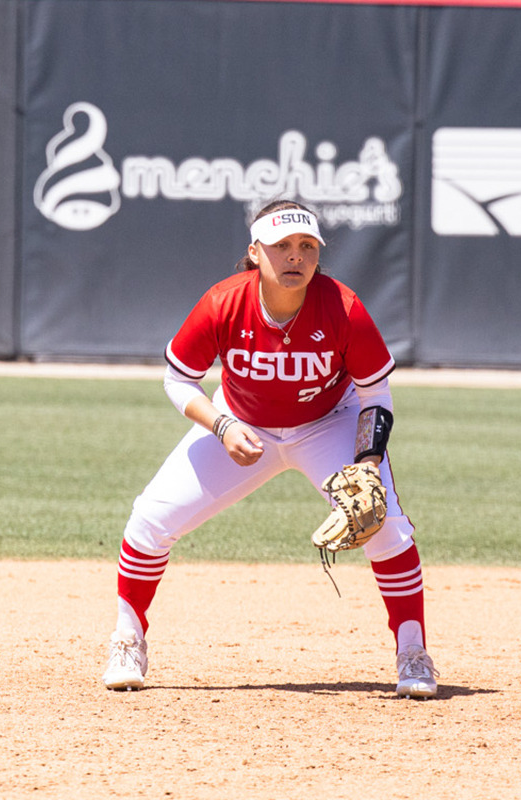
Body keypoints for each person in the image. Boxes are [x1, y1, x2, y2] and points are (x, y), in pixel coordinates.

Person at [102, 200, 438, 698]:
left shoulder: (342, 306)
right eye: (281, 246)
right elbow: (178, 381)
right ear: (255, 252)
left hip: (328, 424)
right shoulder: (223, 303)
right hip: (242, 425)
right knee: (149, 521)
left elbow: (375, 394)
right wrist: (220, 426)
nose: (294, 256)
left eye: (306, 246)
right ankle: (128, 640)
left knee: (385, 526)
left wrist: (367, 463)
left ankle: (413, 652)